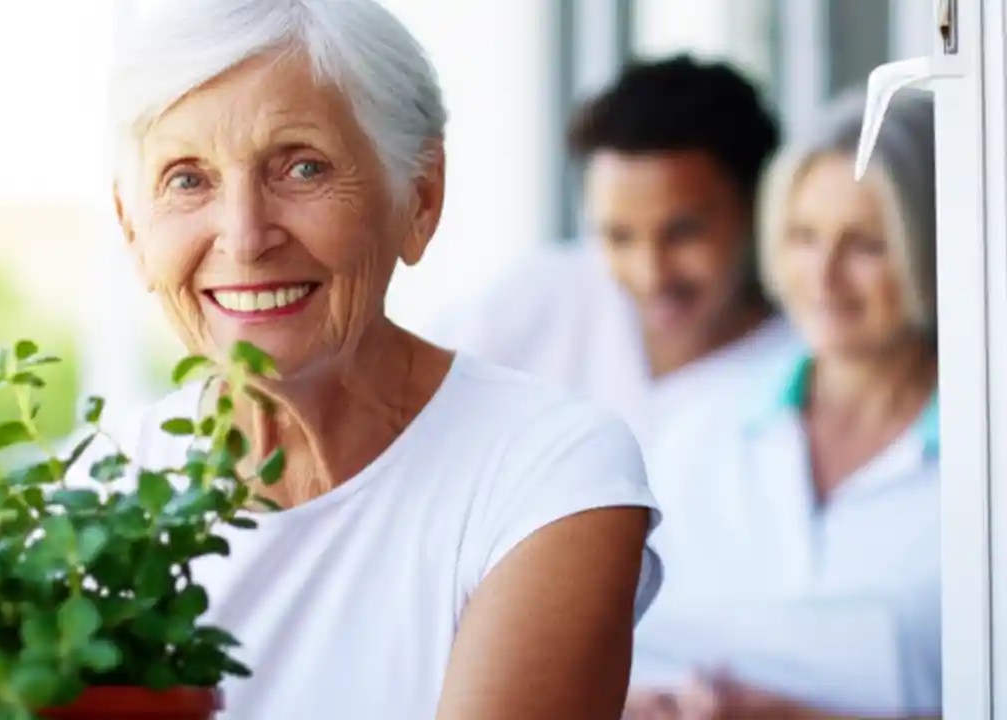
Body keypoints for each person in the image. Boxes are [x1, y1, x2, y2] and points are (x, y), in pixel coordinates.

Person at [107, 2, 662, 718]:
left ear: (420, 197)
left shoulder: (549, 473)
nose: (244, 237)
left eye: (302, 167)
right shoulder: (99, 489)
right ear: (131, 227)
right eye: (188, 179)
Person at [624, 90, 939, 719]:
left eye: (865, 244)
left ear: (931, 248)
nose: (822, 277)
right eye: (803, 237)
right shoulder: (699, 428)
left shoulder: (984, 458)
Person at [428, 57, 800, 446]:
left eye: (683, 233)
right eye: (619, 236)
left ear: (762, 207)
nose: (651, 274)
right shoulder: (539, 298)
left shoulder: (803, 365)